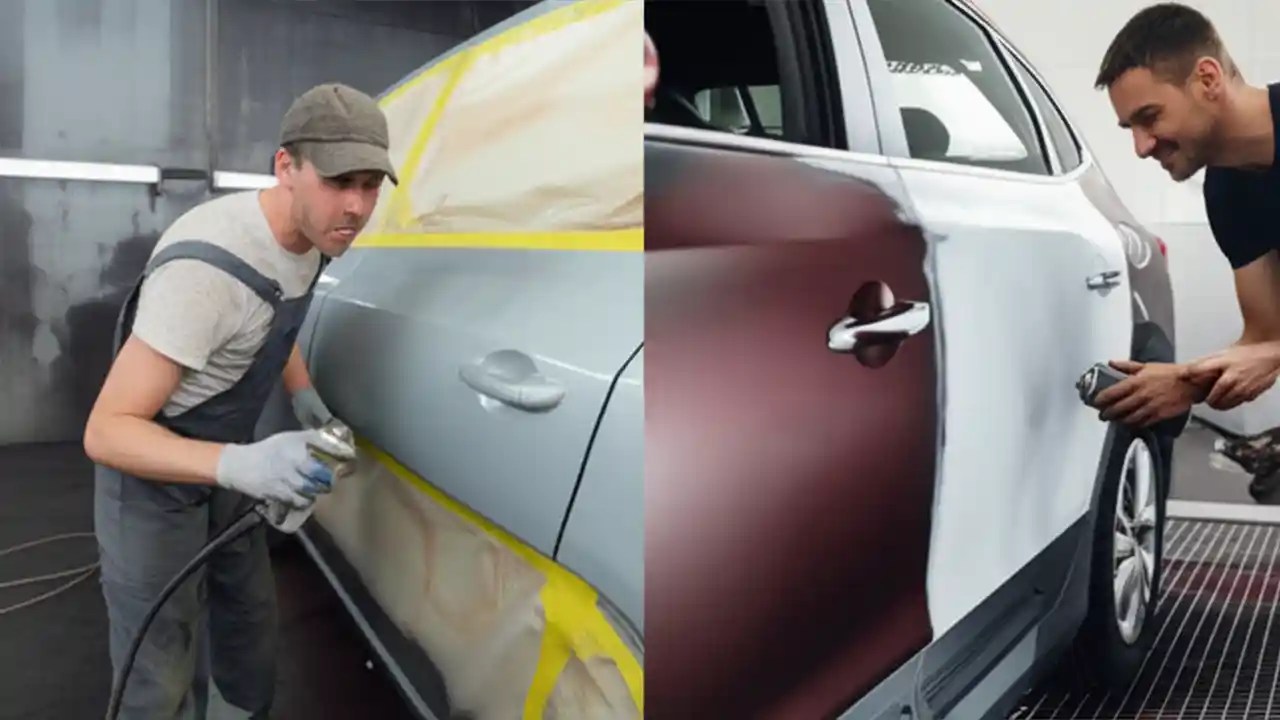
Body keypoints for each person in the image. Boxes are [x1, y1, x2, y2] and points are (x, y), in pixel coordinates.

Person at [83, 82, 396, 718]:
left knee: (250, 619)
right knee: (159, 666)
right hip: (150, 478)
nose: (357, 206)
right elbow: (107, 430)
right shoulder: (207, 275)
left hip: (222, 466)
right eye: (340, 181)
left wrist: (303, 396)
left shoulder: (311, 238)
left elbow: (274, 320)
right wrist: (241, 464)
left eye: (370, 184)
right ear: (286, 166)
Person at [1092, 3, 1280, 428]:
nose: (1141, 147)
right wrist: (1185, 381)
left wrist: (1272, 354)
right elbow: (1266, 336)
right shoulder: (1227, 192)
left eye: (1149, 117)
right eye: (1131, 129)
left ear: (1208, 79)